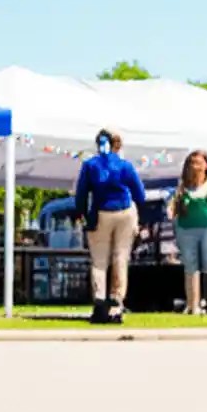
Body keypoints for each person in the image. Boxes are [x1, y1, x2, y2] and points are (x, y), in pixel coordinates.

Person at [73, 129, 147, 323]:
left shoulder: (90, 165)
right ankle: (116, 303)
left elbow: (81, 194)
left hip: (101, 212)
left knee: (99, 261)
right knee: (120, 258)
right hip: (125, 211)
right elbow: (140, 194)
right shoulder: (125, 166)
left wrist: (81, 214)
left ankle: (99, 303)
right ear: (118, 145)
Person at [169, 150, 207, 315]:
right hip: (186, 229)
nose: (195, 166)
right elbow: (173, 206)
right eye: (192, 162)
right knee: (190, 266)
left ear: (206, 165)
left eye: (198, 162)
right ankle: (192, 305)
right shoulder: (182, 186)